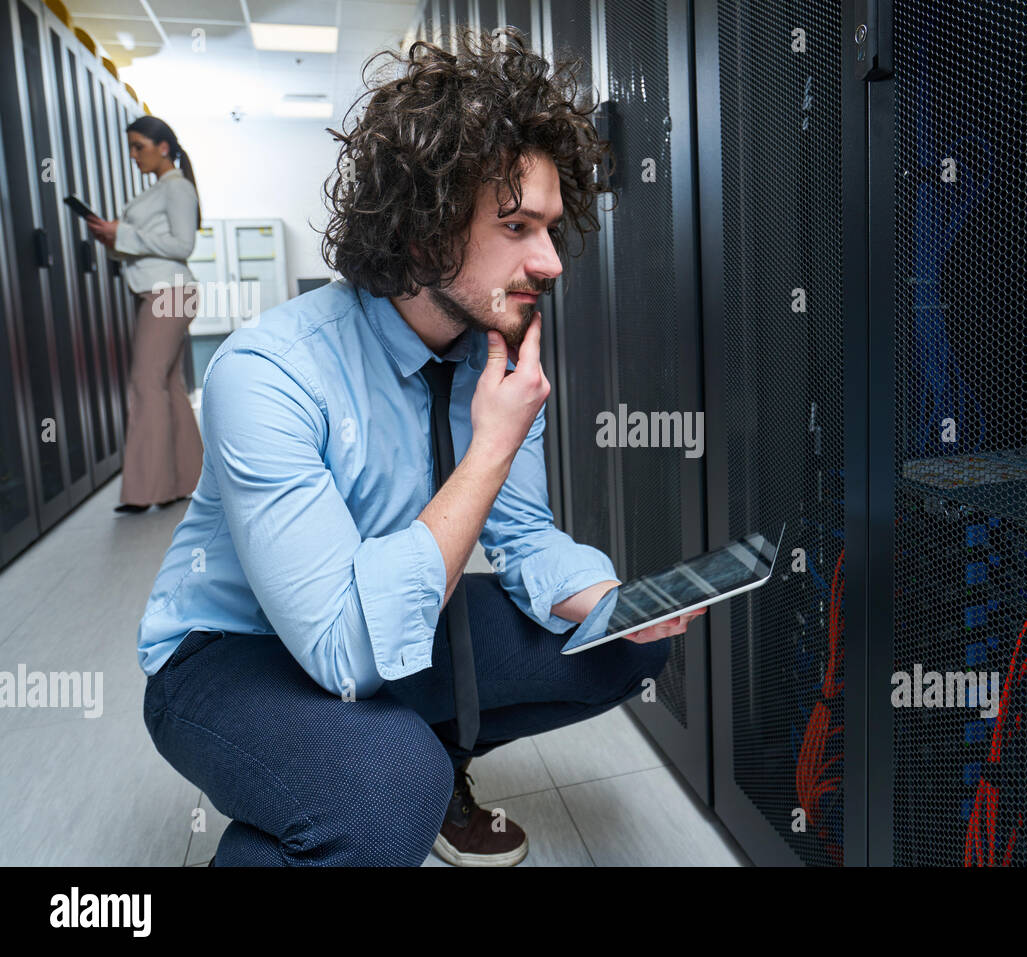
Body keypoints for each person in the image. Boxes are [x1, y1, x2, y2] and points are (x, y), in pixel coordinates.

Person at [135, 25, 704, 867]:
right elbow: (336, 644)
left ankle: (385, 772)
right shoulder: (269, 370)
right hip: (228, 652)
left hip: (381, 610)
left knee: (621, 651)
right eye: (516, 225)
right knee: (390, 782)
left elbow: (523, 536)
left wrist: (608, 598)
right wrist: (490, 445)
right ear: (421, 230)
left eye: (551, 227)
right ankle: (373, 776)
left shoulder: (494, 357)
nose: (549, 260)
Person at [87, 116, 203, 514]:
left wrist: (124, 234)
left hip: (169, 291)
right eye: (131, 147)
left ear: (163, 147)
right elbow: (142, 247)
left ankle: (147, 490)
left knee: (145, 383)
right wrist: (113, 237)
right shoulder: (158, 190)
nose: (133, 155)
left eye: (139, 146)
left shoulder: (177, 188)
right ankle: (190, 479)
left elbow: (182, 244)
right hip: (159, 290)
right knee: (168, 385)